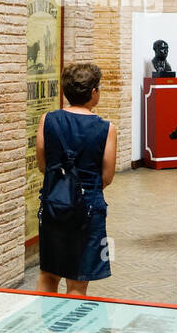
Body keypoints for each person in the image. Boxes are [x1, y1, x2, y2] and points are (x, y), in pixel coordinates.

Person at [35, 64, 117, 296]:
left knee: (48, 274)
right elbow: (107, 176)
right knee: (78, 280)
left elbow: (44, 165)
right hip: (88, 208)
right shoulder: (106, 128)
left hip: (54, 203)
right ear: (93, 93)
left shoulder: (47, 120)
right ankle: (70, 331)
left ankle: (41, 329)